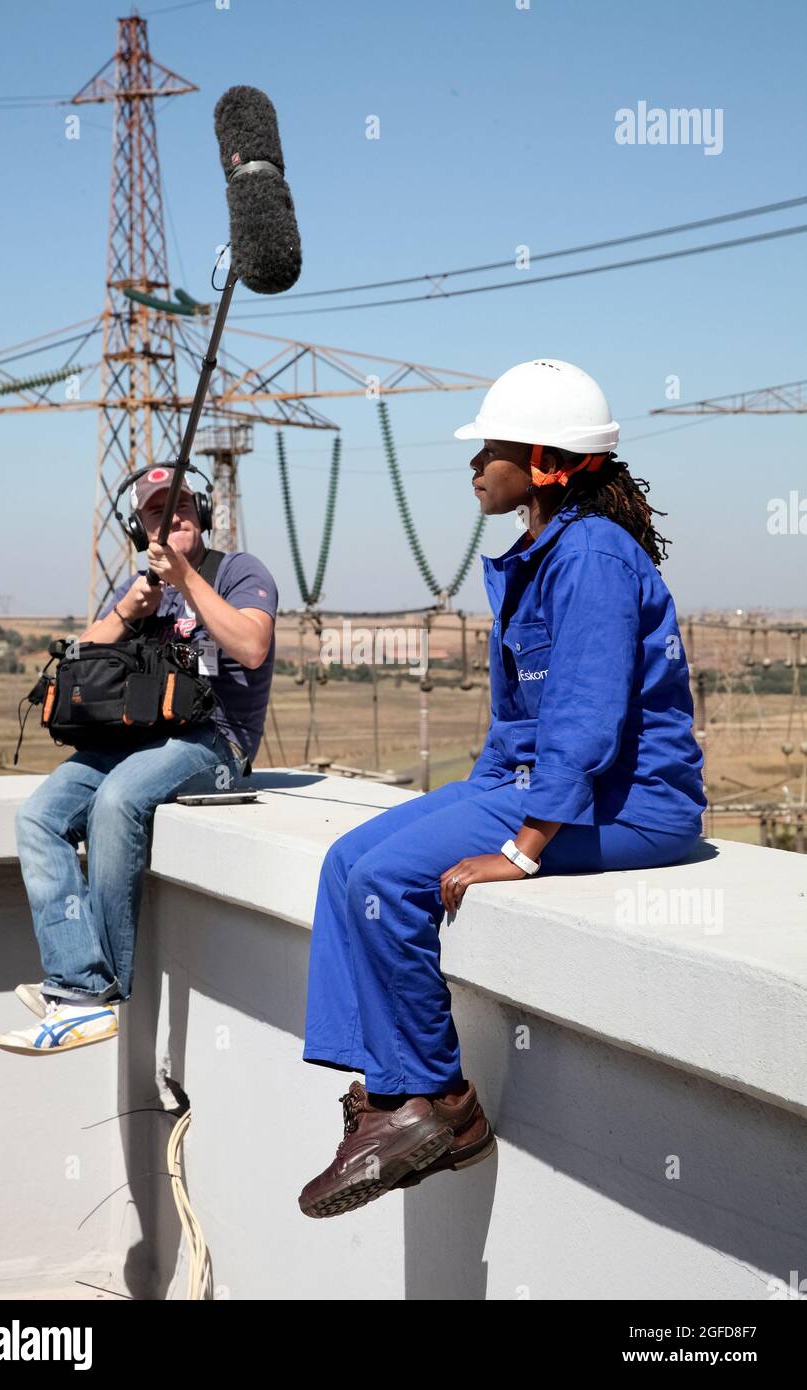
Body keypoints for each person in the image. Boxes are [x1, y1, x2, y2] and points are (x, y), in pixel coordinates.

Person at [298, 358, 706, 1218]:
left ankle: (439, 1106)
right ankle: (383, 1095)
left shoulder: (591, 555)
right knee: (346, 860)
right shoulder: (541, 552)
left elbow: (586, 723)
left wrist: (520, 853)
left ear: (550, 464)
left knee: (386, 881)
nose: (476, 464)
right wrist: (473, 804)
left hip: (632, 806)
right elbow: (520, 726)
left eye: (492, 448)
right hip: (545, 784)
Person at [0, 466, 278, 1054]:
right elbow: (81, 663)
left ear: (201, 512)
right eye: (156, 511)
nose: (171, 518)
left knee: (119, 800)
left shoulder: (239, 572)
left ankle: (90, 995)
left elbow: (251, 647)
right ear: (138, 527)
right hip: (139, 738)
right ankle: (76, 972)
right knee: (39, 816)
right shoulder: (142, 585)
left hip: (216, 743)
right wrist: (127, 609)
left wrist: (187, 582)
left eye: (181, 507)